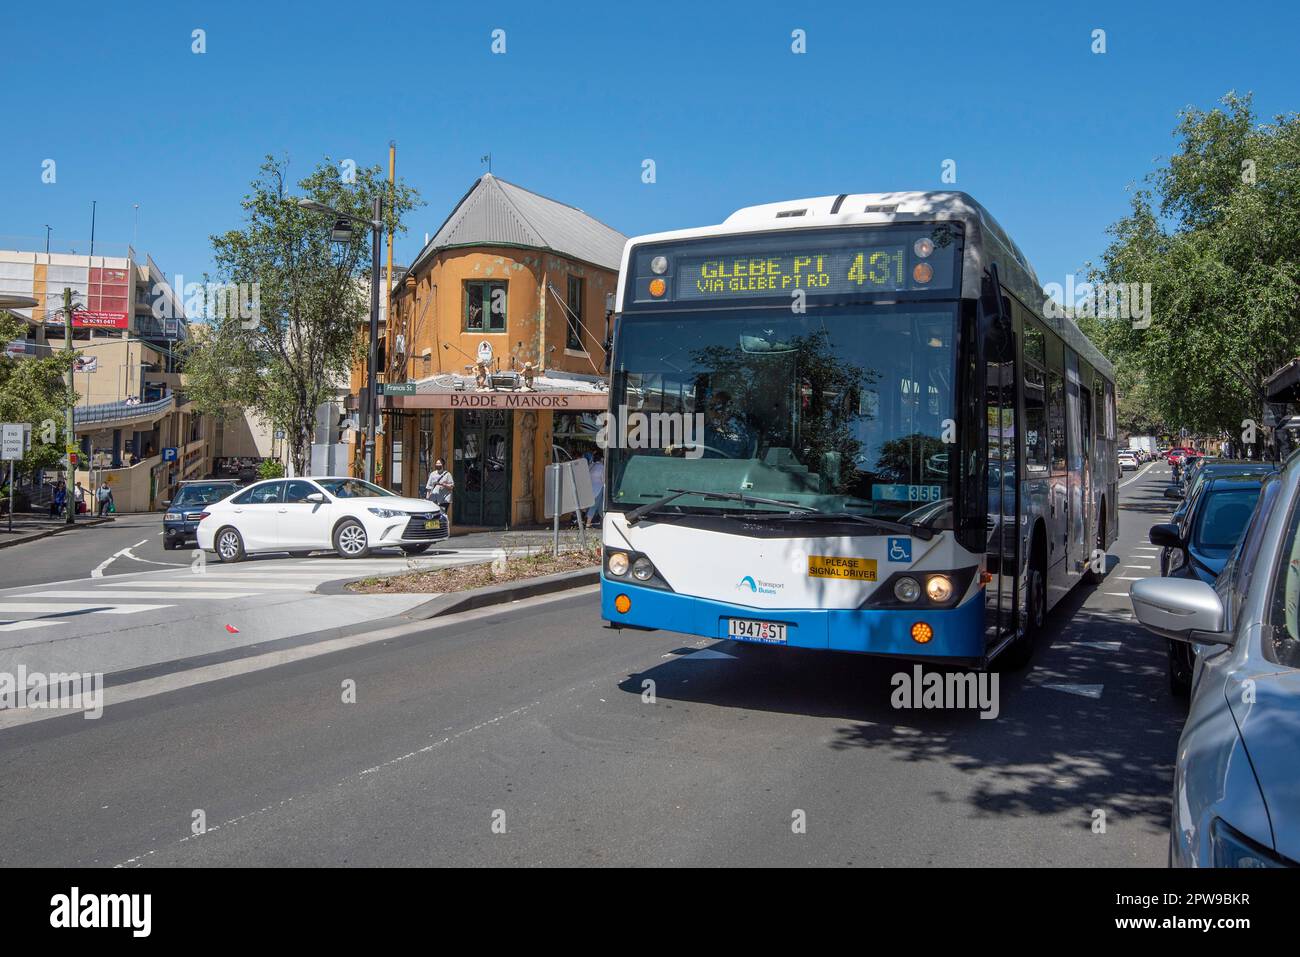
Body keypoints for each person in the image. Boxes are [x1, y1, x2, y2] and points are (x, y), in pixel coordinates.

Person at [425, 458, 455, 530]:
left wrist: (444, 484)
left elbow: (452, 486)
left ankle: (441, 529)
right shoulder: (432, 474)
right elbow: (429, 487)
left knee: (441, 514)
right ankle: (432, 530)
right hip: (434, 498)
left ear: (443, 465)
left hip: (444, 499)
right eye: (437, 464)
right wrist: (427, 498)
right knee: (432, 514)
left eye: (439, 464)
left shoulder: (447, 474)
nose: (438, 465)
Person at [586, 450, 605, 527]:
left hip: (590, 489)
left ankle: (604, 521)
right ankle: (588, 523)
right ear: (601, 459)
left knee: (601, 506)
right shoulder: (602, 467)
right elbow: (603, 479)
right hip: (599, 489)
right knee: (594, 506)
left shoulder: (591, 466)